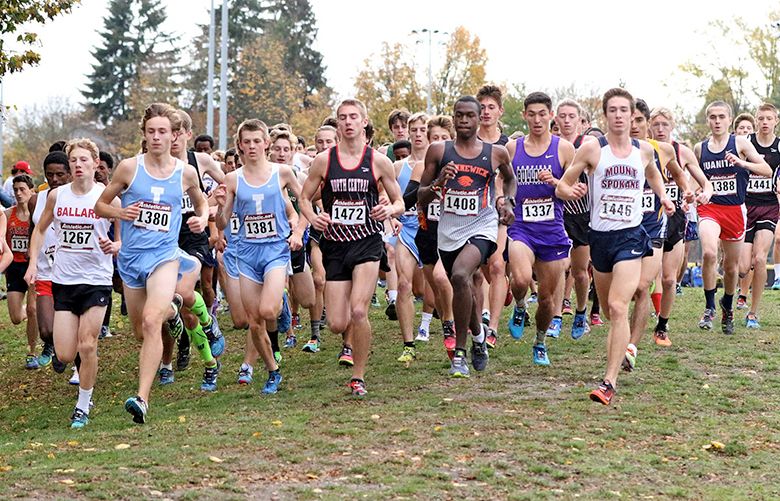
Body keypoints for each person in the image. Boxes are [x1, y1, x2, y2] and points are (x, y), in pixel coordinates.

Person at [556, 88, 674, 405]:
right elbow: (564, 184)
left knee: (621, 306)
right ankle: (619, 348)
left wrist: (662, 195)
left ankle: (608, 382)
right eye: (613, 110)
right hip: (601, 238)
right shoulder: (593, 149)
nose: (619, 116)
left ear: (632, 115)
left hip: (631, 236)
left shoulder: (644, 151)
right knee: (610, 311)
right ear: (605, 114)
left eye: (625, 111)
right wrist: (571, 192)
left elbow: (653, 173)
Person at [94, 103, 210, 424]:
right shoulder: (129, 168)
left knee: (149, 321)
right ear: (144, 135)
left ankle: (142, 398)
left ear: (174, 135)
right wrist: (121, 213)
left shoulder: (184, 171)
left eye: (163, 132)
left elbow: (201, 200)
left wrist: (201, 218)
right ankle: (174, 314)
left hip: (164, 257)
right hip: (131, 261)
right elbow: (100, 205)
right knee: (140, 332)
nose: (157, 137)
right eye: (151, 132)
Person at [300, 98, 404, 396]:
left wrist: (389, 210)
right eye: (342, 117)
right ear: (338, 122)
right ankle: (346, 341)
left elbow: (399, 201)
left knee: (359, 311)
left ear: (364, 121)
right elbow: (305, 198)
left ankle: (358, 376)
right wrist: (313, 217)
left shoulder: (377, 161)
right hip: (335, 244)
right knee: (336, 323)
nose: (347, 122)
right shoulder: (324, 161)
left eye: (353, 117)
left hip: (367, 242)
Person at [418, 95, 516, 378]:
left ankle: (459, 354)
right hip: (448, 231)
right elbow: (420, 197)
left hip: (482, 226)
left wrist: (508, 202)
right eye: (459, 115)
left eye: (469, 115)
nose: (464, 120)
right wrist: (439, 182)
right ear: (453, 117)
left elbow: (510, 179)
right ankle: (478, 338)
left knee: (461, 276)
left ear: (477, 118)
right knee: (467, 289)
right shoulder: (439, 151)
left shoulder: (495, 153)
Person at [26, 138, 120, 429]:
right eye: (74, 161)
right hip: (63, 280)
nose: (78, 165)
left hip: (96, 280)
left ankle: (83, 404)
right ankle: (83, 381)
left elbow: (124, 232)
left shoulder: (107, 198)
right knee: (66, 353)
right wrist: (32, 263)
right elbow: (39, 231)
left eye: (84, 160)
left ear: (95, 163)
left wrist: (116, 245)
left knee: (87, 344)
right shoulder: (57, 196)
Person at [214, 118, 302, 395]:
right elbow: (222, 221)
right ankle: (273, 371)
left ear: (266, 143)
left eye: (257, 141)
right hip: (246, 253)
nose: (252, 146)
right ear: (239, 145)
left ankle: (280, 303)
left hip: (275, 250)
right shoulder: (232, 179)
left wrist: (298, 232)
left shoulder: (283, 173)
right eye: (246, 142)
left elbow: (306, 204)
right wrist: (221, 206)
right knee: (253, 321)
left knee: (267, 311)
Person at [506, 92, 575, 366]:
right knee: (521, 280)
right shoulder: (513, 148)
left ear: (551, 116)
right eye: (531, 114)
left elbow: (571, 190)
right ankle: (520, 306)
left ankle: (540, 341)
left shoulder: (564, 149)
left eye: (542, 114)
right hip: (521, 226)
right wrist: (504, 199)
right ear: (524, 115)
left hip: (552, 230)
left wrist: (555, 182)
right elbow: (504, 182)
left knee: (547, 300)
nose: (537, 119)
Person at [694, 101, 770, 335]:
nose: (717, 121)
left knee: (731, 267)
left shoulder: (740, 142)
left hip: (735, 211)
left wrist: (742, 163)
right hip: (710, 209)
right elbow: (693, 175)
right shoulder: (700, 148)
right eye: (713, 117)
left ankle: (727, 305)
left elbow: (766, 169)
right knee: (708, 252)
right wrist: (694, 192)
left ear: (729, 120)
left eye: (721, 117)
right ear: (708, 121)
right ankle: (709, 307)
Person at [648, 107, 713, 345]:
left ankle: (662, 325)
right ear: (649, 126)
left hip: (676, 219)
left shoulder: (681, 152)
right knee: (644, 279)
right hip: (649, 218)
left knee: (668, 279)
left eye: (665, 124)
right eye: (656, 124)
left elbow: (703, 181)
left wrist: (701, 192)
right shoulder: (643, 150)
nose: (661, 129)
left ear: (672, 126)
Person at [168, 111, 225, 374]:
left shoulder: (200, 160)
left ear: (188, 134)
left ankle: (207, 328)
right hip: (166, 236)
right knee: (180, 304)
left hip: (194, 235)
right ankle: (191, 344)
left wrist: (208, 208)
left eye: (179, 132)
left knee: (184, 294)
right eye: (171, 132)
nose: (174, 138)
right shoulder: (156, 165)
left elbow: (228, 184)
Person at [411, 116, 456, 355]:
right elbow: (412, 197)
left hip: (452, 232)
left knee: (442, 278)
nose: (439, 143)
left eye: (444, 138)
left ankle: (451, 326)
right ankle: (453, 322)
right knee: (435, 290)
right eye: (435, 138)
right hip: (427, 231)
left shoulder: (460, 164)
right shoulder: (422, 167)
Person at [555, 99, 597, 335]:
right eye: (563, 116)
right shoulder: (552, 146)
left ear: (581, 121)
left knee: (580, 271)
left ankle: (581, 312)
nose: (567, 120)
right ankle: (557, 315)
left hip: (583, 215)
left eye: (572, 116)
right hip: (558, 214)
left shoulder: (588, 144)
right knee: (559, 266)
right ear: (556, 119)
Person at [736, 103, 779, 328]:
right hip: (745, 206)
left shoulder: (779, 147)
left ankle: (753, 312)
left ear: (775, 121)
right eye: (761, 118)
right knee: (743, 267)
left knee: (760, 259)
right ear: (756, 120)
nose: (764, 122)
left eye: (768, 119)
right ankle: (735, 273)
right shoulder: (746, 143)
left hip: (769, 207)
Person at [390, 112, 428, 363]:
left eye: (421, 129)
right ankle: (408, 343)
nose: (416, 134)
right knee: (404, 285)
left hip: (433, 229)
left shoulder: (440, 162)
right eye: (413, 130)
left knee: (427, 289)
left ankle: (432, 323)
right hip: (407, 229)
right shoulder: (397, 167)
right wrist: (392, 216)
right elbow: (393, 199)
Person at [30, 152, 73, 370]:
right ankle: (58, 345)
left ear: (70, 173)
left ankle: (77, 363)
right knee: (46, 330)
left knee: (74, 324)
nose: (54, 179)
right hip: (46, 270)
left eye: (60, 174)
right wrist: (32, 261)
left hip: (72, 272)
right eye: (49, 175)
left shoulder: (78, 196)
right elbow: (35, 231)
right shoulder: (36, 200)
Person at [475, 84, 510, 347]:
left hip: (498, 212)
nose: (486, 112)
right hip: (471, 213)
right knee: (479, 270)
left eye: (491, 107)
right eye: (482, 107)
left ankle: (493, 327)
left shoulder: (509, 145)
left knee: (497, 266)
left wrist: (505, 198)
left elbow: (513, 180)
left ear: (500, 111)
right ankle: (479, 319)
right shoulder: (466, 141)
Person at [4, 174, 38, 368]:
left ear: (31, 191)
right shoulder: (8, 215)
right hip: (14, 268)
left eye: (22, 189)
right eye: (15, 190)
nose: (18, 193)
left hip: (32, 266)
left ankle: (32, 352)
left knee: (32, 309)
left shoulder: (37, 214)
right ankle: (34, 310)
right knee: (16, 318)